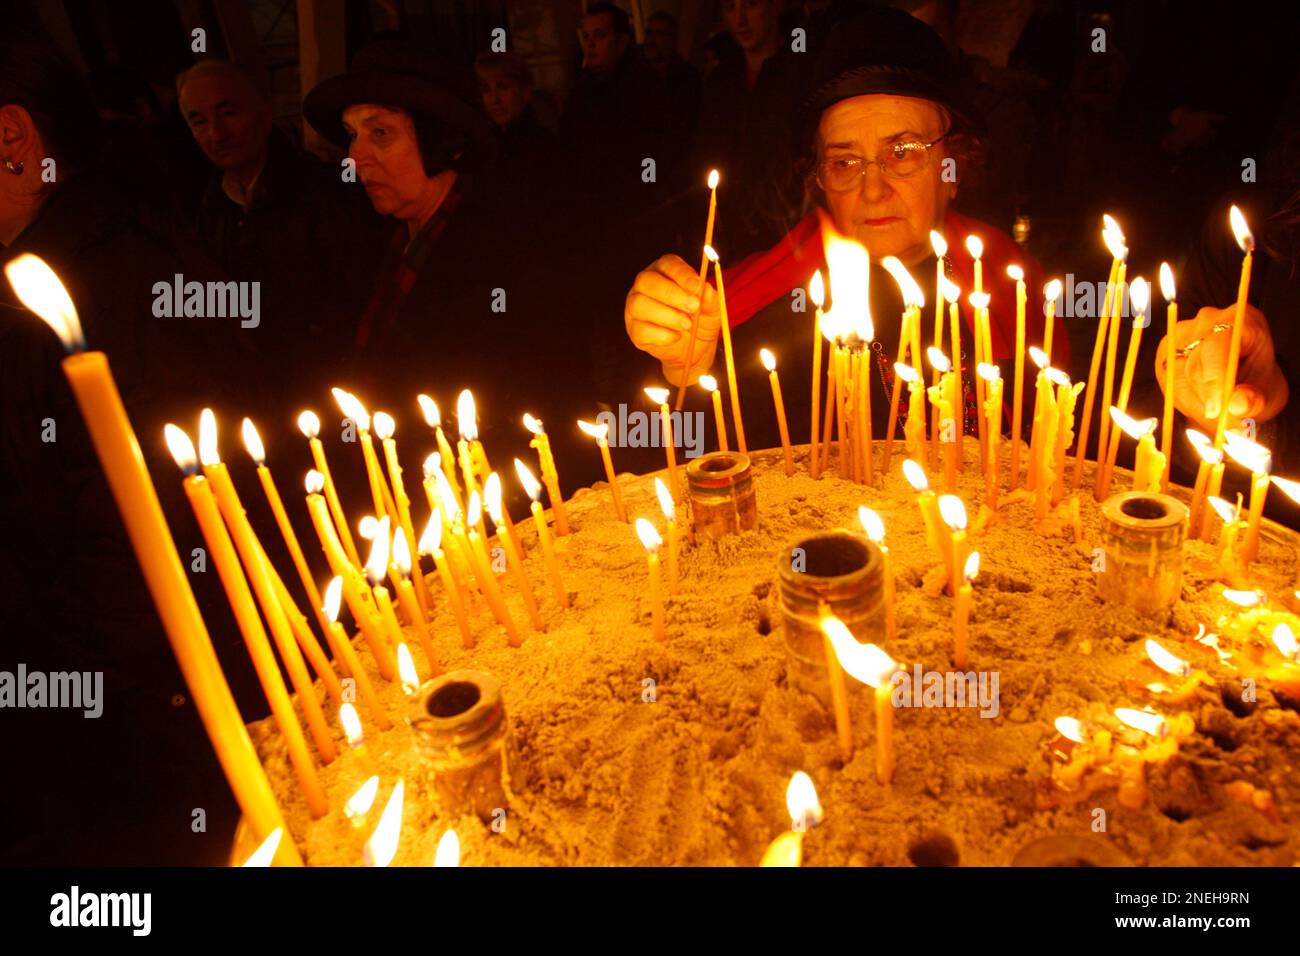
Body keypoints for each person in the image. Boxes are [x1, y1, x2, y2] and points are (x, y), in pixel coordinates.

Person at [0, 32, 261, 865]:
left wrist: (109, 715)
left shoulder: (113, 271)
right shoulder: (56, 263)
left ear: (12, 139)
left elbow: (165, 520)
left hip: (151, 723)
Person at [626, 8, 1064, 457]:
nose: (872, 190)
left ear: (952, 167)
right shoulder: (768, 308)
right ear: (819, 179)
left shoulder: (1012, 278)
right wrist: (680, 362)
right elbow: (699, 445)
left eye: (903, 152)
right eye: (844, 162)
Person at [303, 40, 598, 510]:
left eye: (379, 133)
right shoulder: (376, 238)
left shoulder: (509, 249)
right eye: (352, 134)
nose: (355, 156)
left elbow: (535, 414)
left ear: (440, 140)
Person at [178, 59, 388, 400]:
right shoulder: (206, 213)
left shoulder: (329, 195)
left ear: (265, 111)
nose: (216, 134)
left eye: (228, 113)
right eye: (198, 120)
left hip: (336, 394)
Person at [692, 0, 803, 259]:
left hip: (788, 233)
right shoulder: (720, 82)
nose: (740, 20)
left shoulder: (798, 73)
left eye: (751, 5)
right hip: (731, 236)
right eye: (730, 7)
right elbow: (705, 152)